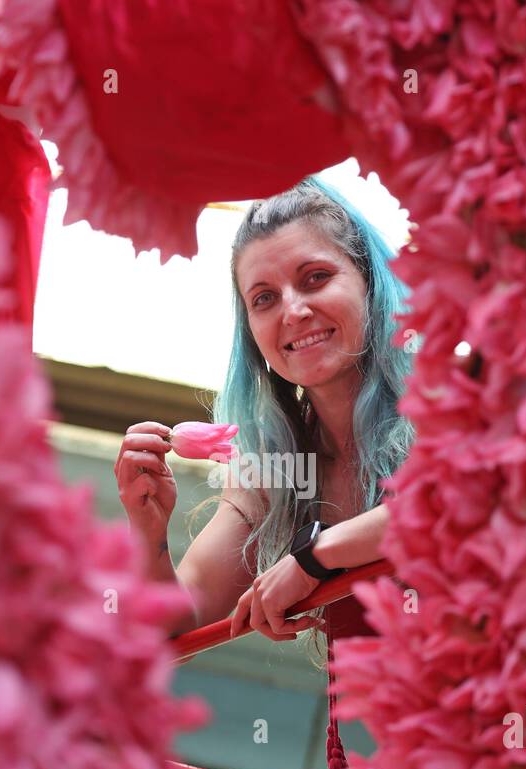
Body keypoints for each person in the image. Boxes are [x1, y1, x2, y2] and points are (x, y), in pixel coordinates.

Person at [115, 176, 413, 659]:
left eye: (316, 277)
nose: (293, 311)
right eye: (264, 298)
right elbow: (167, 638)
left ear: (369, 281)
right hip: (393, 733)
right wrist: (147, 529)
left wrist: (313, 559)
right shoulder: (274, 469)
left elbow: (449, 504)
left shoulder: (453, 396)